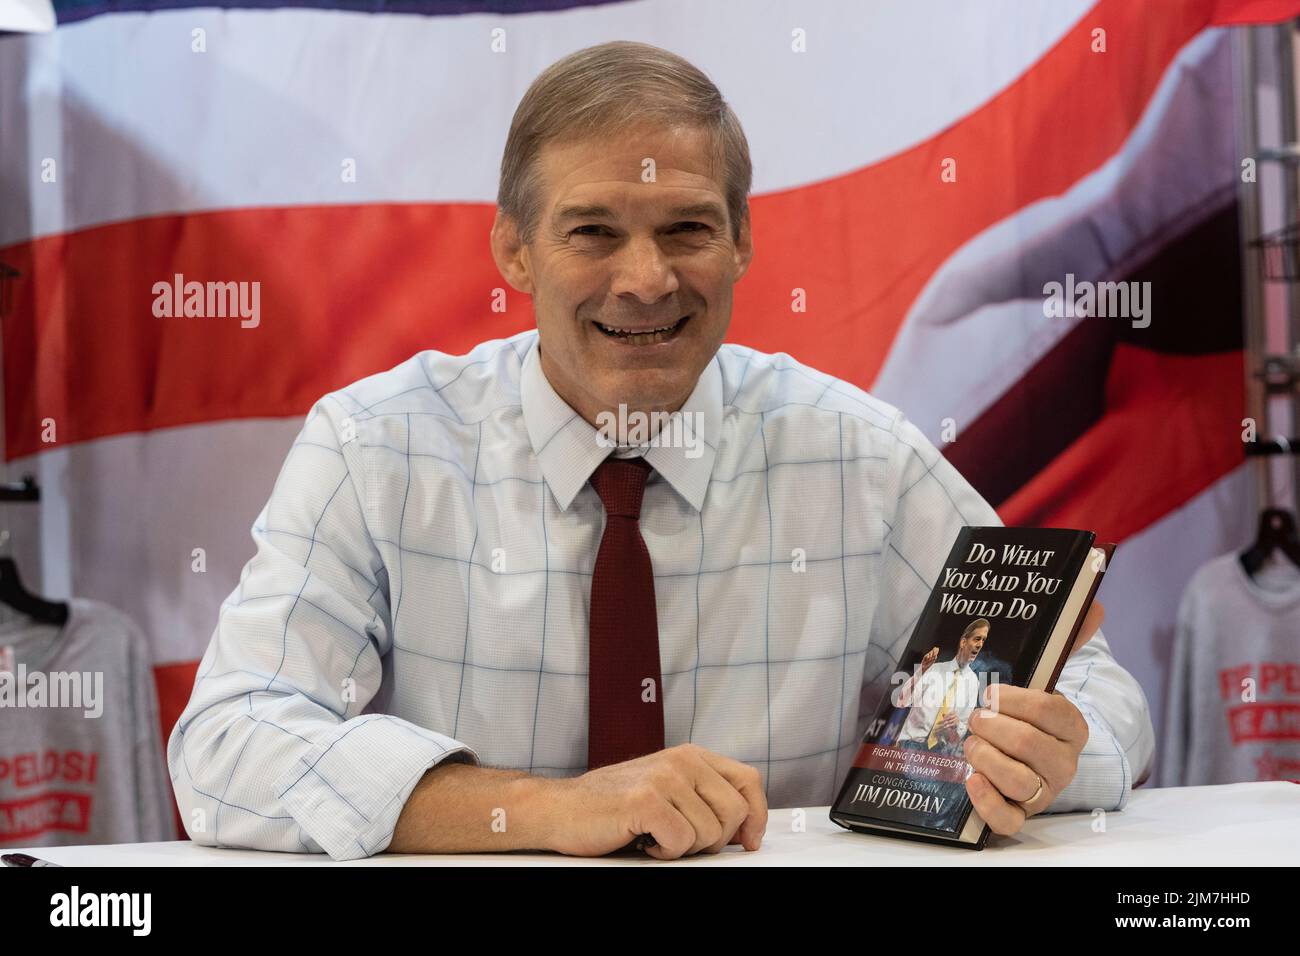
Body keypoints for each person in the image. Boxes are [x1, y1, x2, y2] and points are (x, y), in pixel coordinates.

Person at [167, 40, 1155, 862]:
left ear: (741, 242)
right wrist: (546, 810)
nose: (645, 280)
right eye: (593, 232)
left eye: (686, 229)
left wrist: (1053, 755)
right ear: (514, 250)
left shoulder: (863, 458)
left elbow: (1096, 690)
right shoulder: (375, 447)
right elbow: (223, 746)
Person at [893, 619, 990, 755]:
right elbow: (902, 701)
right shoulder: (934, 669)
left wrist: (957, 725)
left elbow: (959, 735)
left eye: (983, 640)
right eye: (977, 639)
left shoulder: (974, 682)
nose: (980, 645)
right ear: (963, 642)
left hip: (938, 753)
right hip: (909, 745)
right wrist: (921, 670)